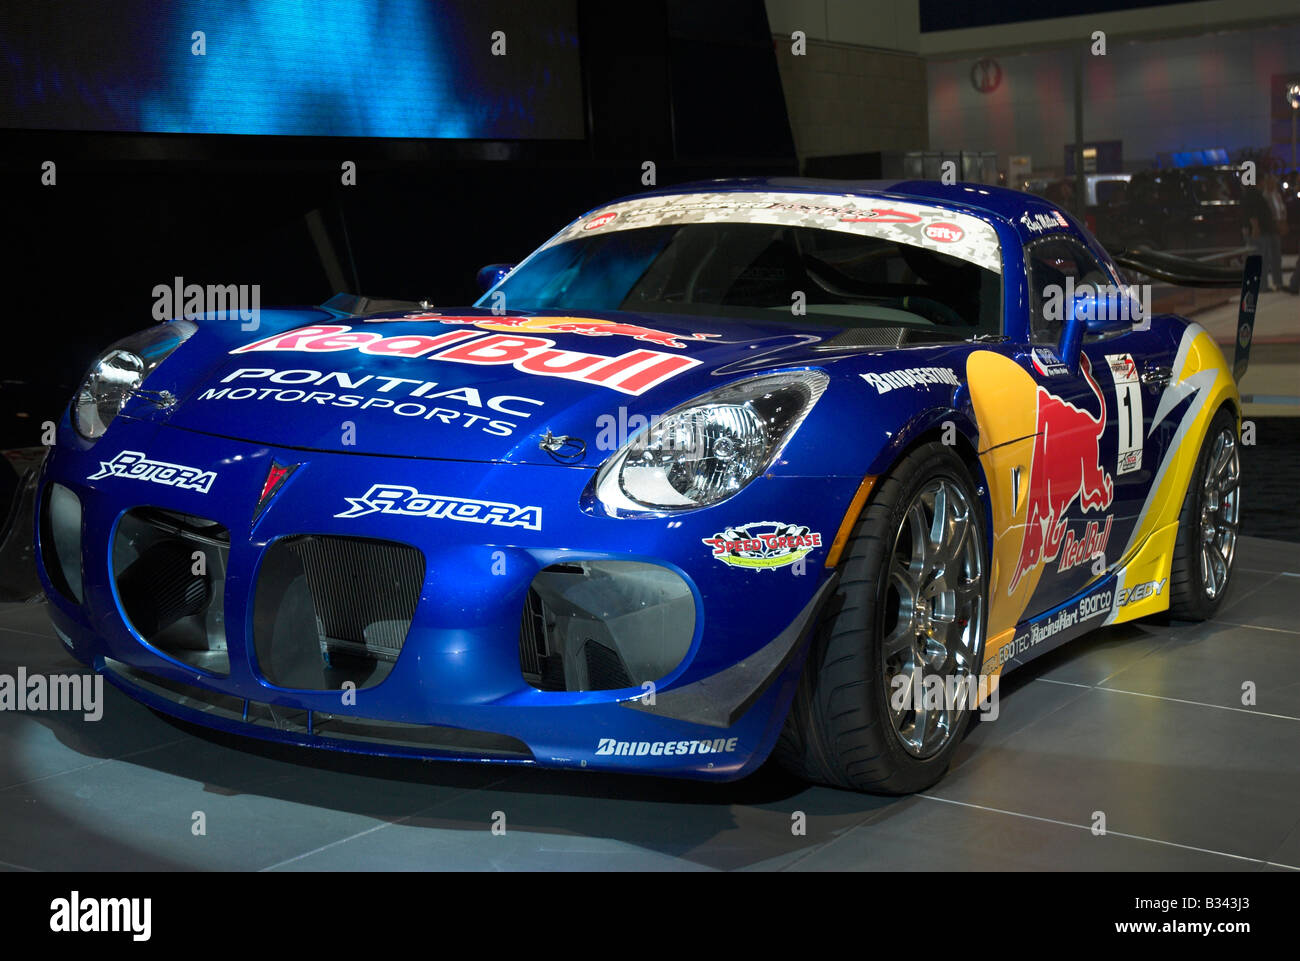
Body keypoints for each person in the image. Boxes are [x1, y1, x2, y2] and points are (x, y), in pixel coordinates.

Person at [1244, 173, 1284, 292]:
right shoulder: (1255, 195)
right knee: (1261, 257)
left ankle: (1263, 285)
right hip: (1261, 230)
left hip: (1265, 229)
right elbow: (1253, 213)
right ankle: (1262, 285)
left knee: (1263, 257)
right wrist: (1255, 227)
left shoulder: (1257, 194)